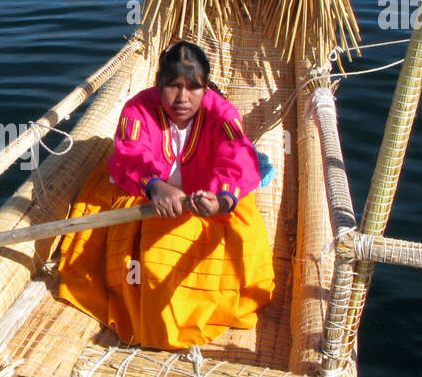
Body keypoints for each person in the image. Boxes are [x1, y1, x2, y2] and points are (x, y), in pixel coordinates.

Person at [57, 40, 275, 350]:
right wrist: (155, 186)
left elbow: (237, 159)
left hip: (209, 203)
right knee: (150, 261)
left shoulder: (222, 114)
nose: (183, 98)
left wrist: (221, 201)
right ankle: (152, 320)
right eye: (173, 86)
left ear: (206, 87)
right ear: (159, 84)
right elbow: (130, 157)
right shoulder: (138, 109)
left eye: (194, 88)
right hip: (148, 198)